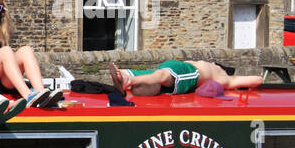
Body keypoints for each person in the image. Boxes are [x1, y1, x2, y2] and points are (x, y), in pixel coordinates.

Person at [109, 59, 263, 96]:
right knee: (155, 78)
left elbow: (258, 80)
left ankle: (129, 79)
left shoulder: (226, 79)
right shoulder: (213, 68)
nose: (217, 64)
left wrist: (231, 79)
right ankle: (126, 77)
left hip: (188, 74)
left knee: (161, 76)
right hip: (178, 68)